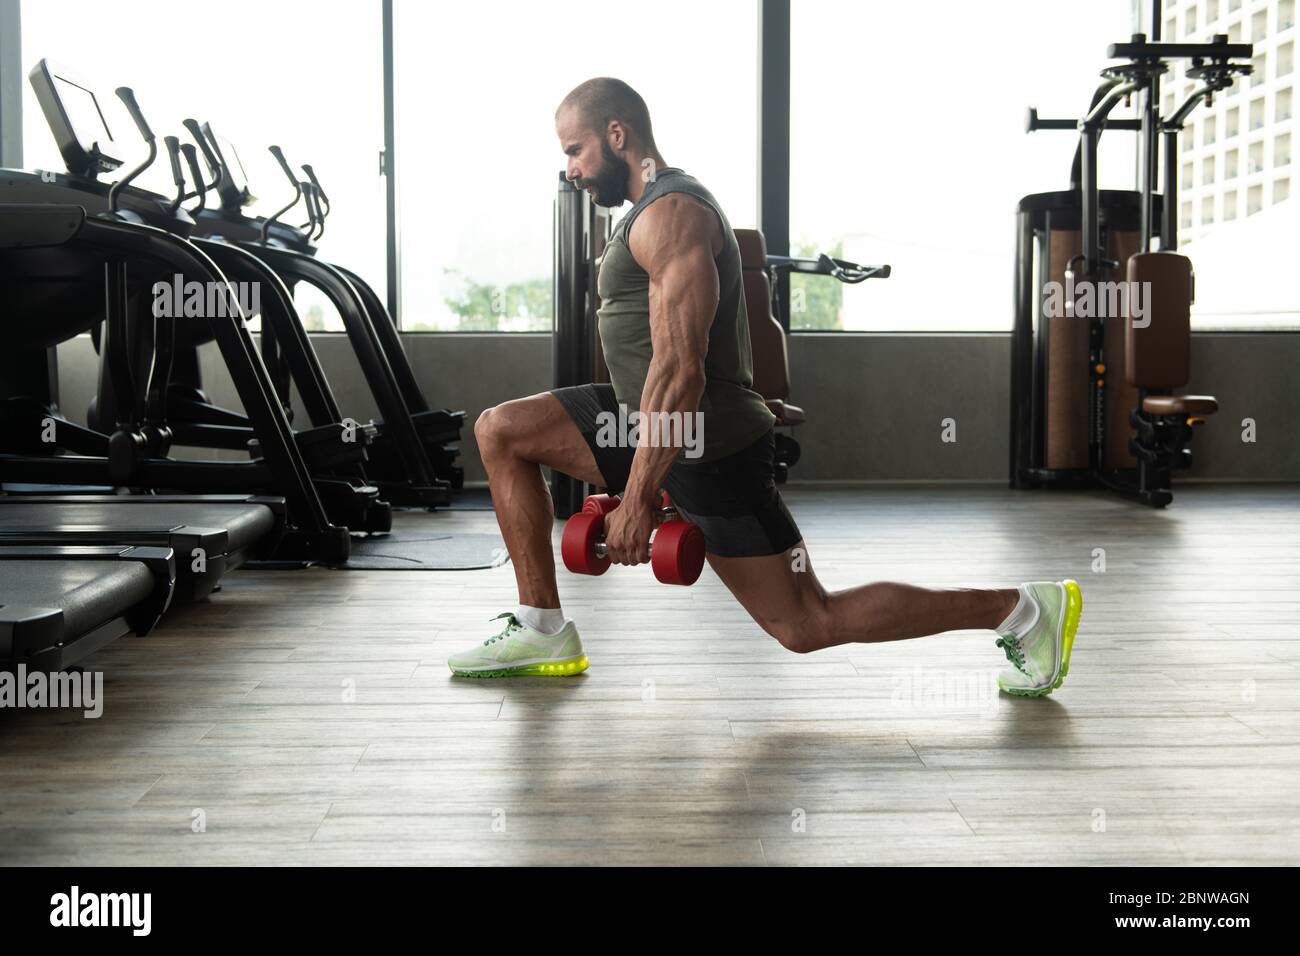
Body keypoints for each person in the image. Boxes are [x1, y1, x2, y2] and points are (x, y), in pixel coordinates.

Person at [448, 77, 1080, 697]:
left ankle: (1023, 610)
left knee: (806, 621)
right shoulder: (643, 212)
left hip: (708, 444)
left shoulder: (672, 214)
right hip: (639, 420)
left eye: (574, 150)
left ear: (617, 135)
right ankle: (541, 627)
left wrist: (639, 497)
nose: (571, 170)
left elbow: (679, 371)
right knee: (502, 429)